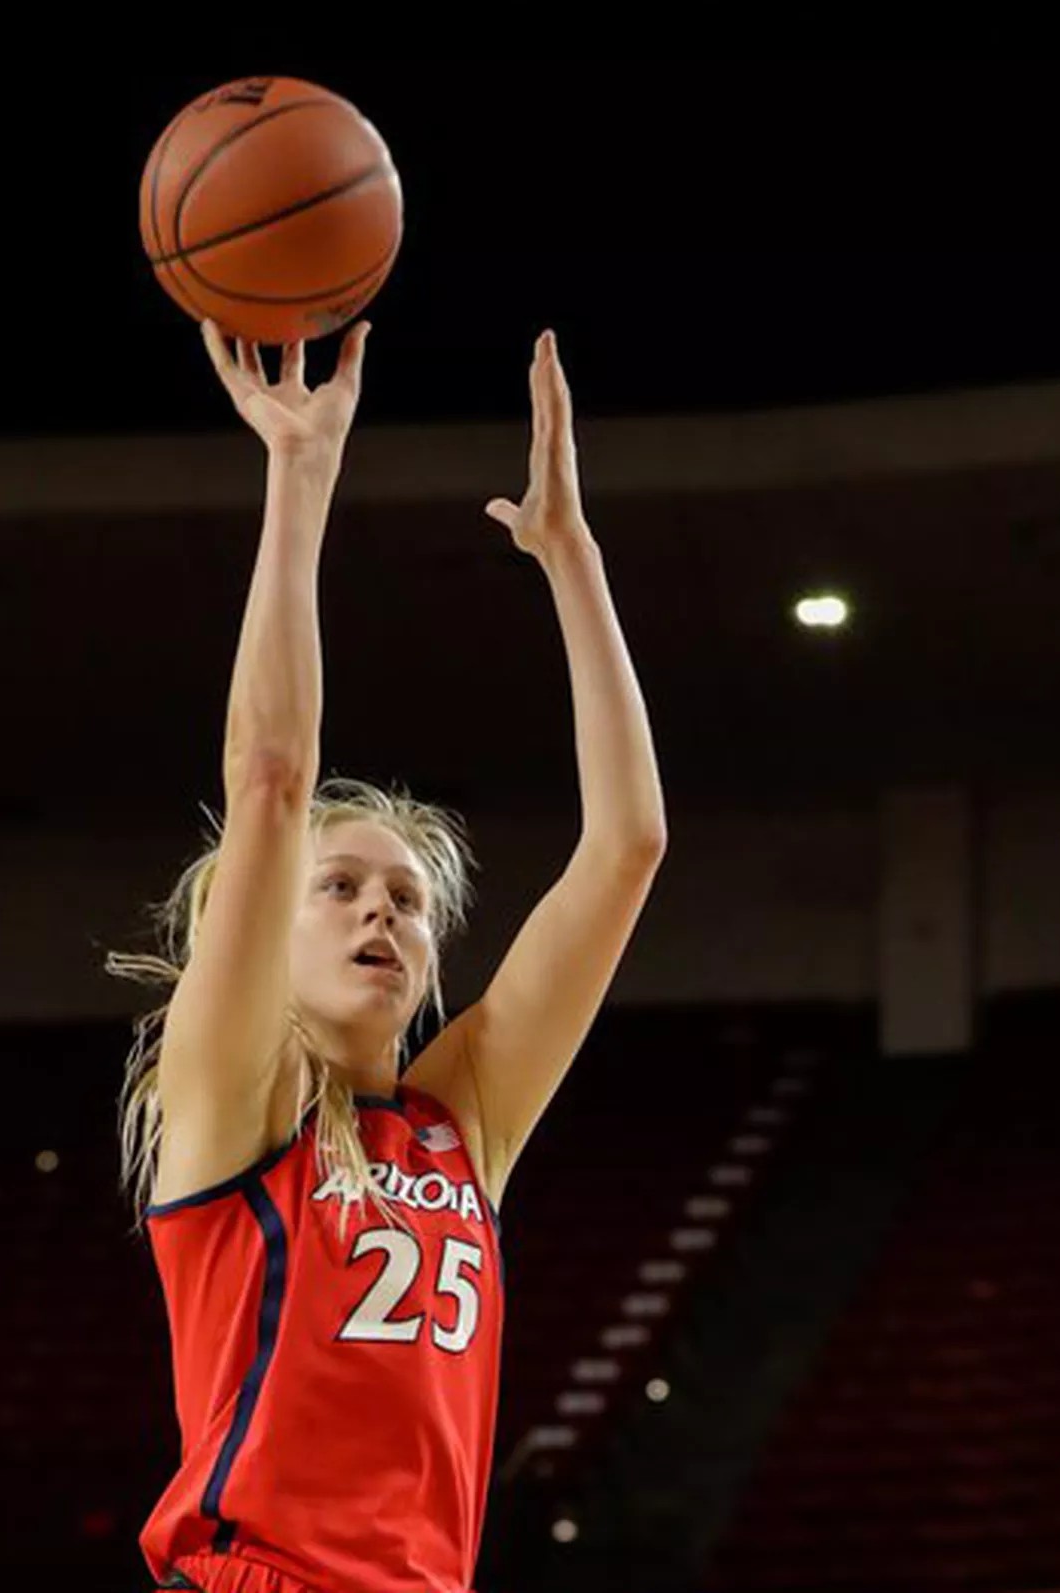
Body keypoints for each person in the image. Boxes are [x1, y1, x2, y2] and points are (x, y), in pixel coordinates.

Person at [108, 318, 668, 1593]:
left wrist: (571, 559)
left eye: (409, 901)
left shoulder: (457, 1121)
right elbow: (267, 777)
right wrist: (298, 475)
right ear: (258, 928)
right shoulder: (228, 1103)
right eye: (344, 887)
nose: (384, 915)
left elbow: (629, 842)